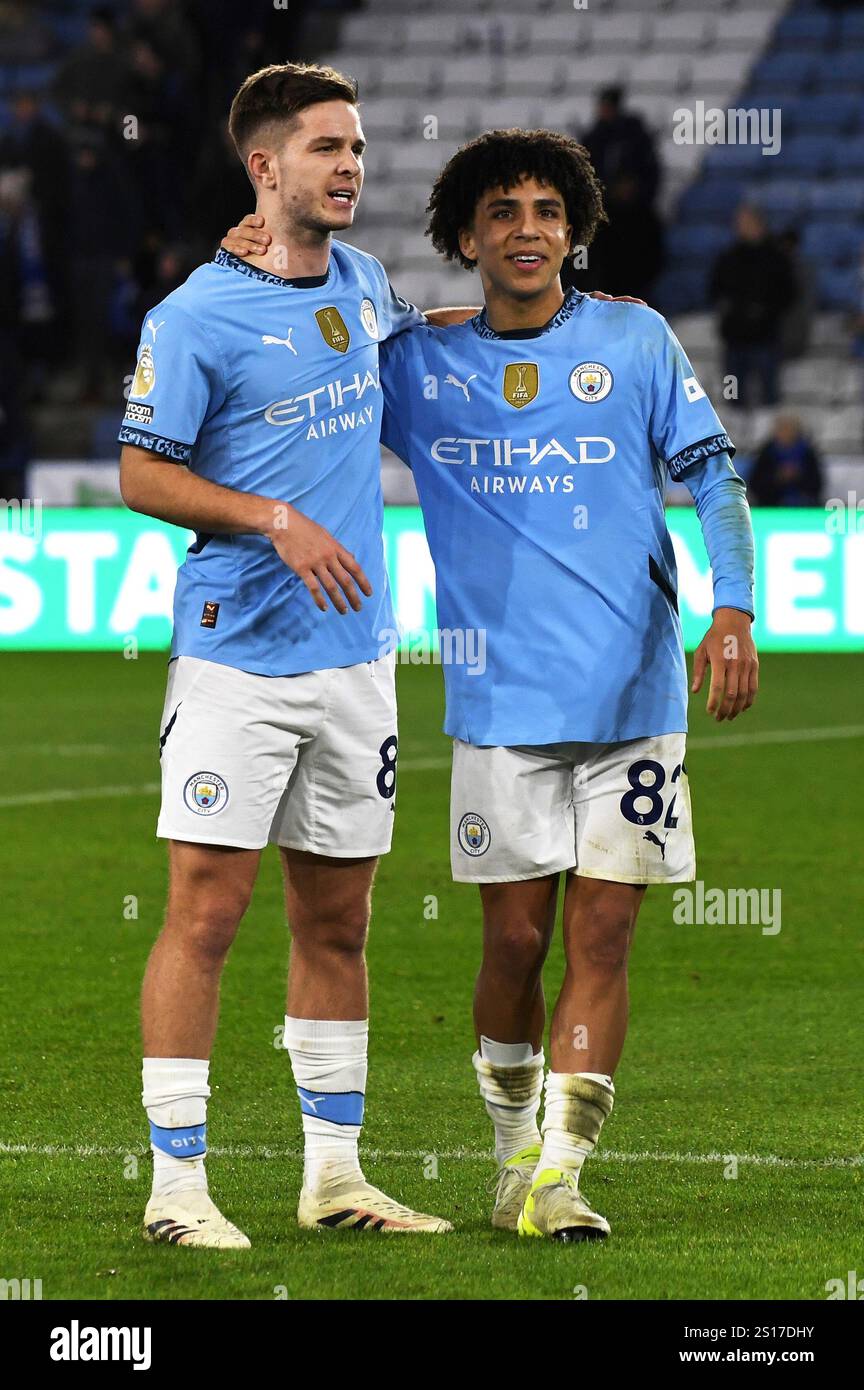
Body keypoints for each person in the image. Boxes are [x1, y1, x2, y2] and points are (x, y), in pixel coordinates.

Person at [225, 129, 758, 1242]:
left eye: (549, 211)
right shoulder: (417, 364)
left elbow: (713, 476)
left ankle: (562, 1169)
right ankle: (511, 1148)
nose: (529, 230)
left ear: (575, 229)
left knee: (602, 938)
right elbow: (306, 357)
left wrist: (734, 607)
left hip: (633, 701)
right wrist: (253, 261)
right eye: (504, 212)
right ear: (465, 236)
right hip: (497, 708)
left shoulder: (635, 337)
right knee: (514, 946)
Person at [119, 62, 467, 1249]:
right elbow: (140, 474)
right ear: (265, 167)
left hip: (356, 663)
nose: (352, 166)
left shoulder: (365, 282)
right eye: (326, 147)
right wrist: (274, 518)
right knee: (204, 914)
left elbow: (435, 360)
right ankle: (176, 1184)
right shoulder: (193, 317)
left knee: (340, 923)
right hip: (235, 662)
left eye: (358, 146)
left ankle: (335, 1176)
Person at [709, 205, 797, 409]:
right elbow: (715, 290)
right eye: (739, 223)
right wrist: (728, 310)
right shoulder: (728, 257)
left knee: (769, 393)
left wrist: (764, 311)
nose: (741, 227)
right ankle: (731, 429)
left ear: (759, 224)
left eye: (746, 222)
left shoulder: (776, 258)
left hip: (765, 339)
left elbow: (788, 294)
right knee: (731, 392)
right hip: (733, 339)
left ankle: (766, 432)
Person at [748, 413, 824, 506]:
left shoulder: (808, 452)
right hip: (771, 506)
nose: (785, 433)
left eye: (789, 429)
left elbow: (817, 484)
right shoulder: (766, 452)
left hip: (804, 506)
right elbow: (755, 484)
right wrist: (777, 478)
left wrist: (798, 476)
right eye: (782, 429)